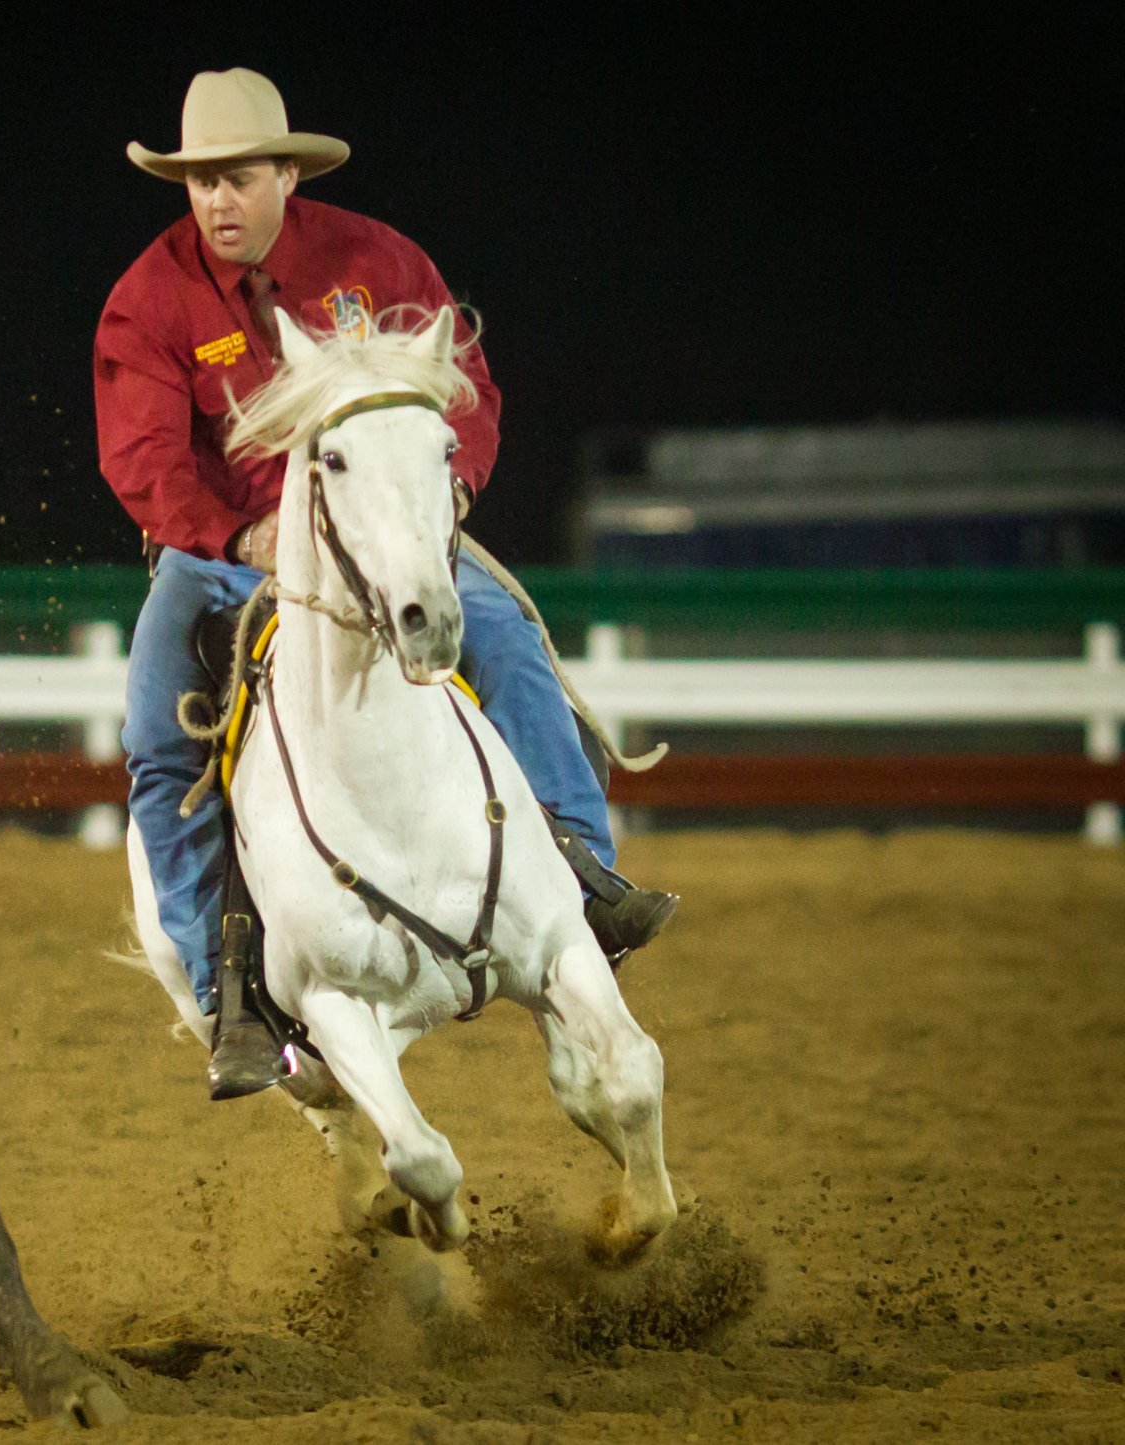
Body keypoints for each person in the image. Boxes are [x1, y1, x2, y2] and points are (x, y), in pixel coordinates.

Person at [94, 69, 675, 1095]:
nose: (217, 201)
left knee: (502, 638)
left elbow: (467, 389)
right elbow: (145, 460)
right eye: (198, 183)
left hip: (382, 536)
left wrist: (445, 492)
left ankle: (581, 870)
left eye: (236, 177)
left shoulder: (377, 261)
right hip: (225, 558)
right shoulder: (148, 300)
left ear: (284, 172)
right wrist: (239, 535)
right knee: (155, 739)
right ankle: (225, 983)